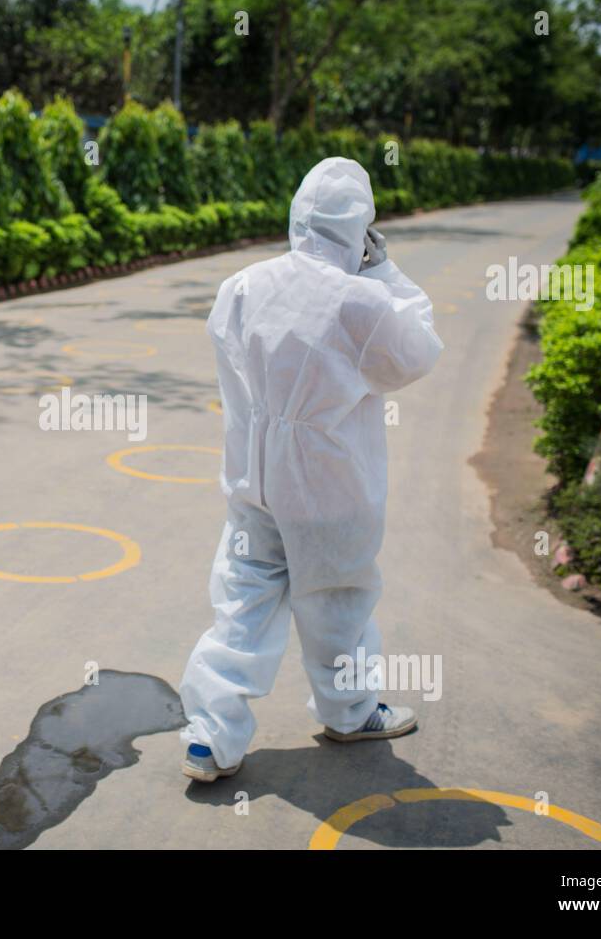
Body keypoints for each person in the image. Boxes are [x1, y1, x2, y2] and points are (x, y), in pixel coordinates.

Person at [179, 157, 444, 782]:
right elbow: (418, 349)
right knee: (339, 606)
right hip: (330, 488)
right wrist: (384, 269)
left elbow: (235, 366)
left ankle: (210, 737)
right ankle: (350, 714)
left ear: (298, 216)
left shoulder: (243, 285)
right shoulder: (363, 301)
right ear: (360, 228)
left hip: (256, 479)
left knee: (244, 602)